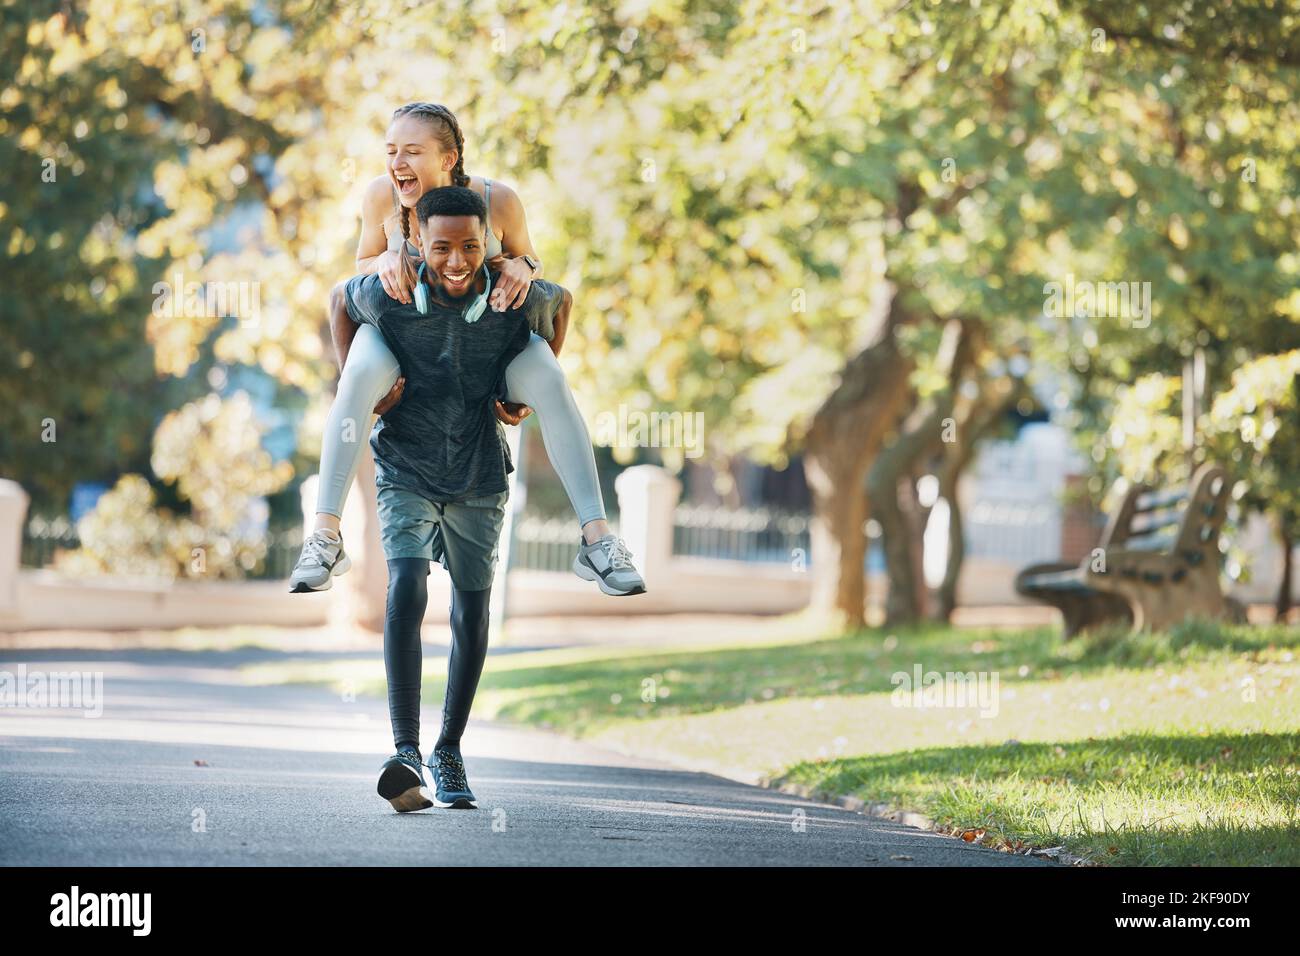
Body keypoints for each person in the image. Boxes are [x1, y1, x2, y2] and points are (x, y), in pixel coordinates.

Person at [290, 101, 644, 598]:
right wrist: (386, 259)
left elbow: (531, 259)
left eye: (412, 151)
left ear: (449, 157)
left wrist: (526, 267)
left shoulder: (498, 200)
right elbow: (362, 262)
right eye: (391, 151)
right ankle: (325, 535)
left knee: (551, 381)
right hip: (402, 337)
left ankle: (598, 540)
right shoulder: (380, 199)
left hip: (487, 341)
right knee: (355, 378)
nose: (397, 163)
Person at [344, 186, 563, 811]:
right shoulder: (388, 291)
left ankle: (449, 748)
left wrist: (520, 401)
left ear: (488, 243)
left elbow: (562, 306)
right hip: (405, 466)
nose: (458, 260)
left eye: (471, 245)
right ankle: (406, 749)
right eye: (442, 247)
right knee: (407, 584)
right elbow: (339, 301)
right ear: (422, 245)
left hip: (478, 476)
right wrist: (356, 388)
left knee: (471, 613)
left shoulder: (508, 297)